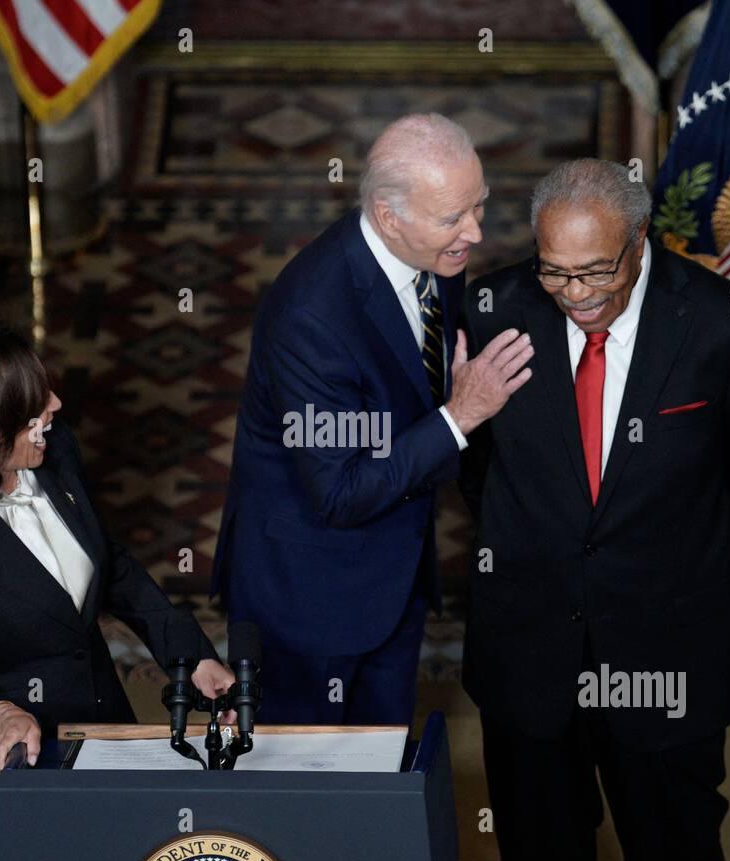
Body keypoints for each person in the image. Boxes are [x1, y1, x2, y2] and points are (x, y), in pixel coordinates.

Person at [460, 158, 730, 861]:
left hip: (669, 653)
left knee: (676, 847)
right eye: (555, 271)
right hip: (528, 650)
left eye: (596, 271)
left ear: (640, 240)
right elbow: (476, 471)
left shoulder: (721, 324)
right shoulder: (490, 310)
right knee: (540, 849)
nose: (574, 294)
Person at [211, 113, 532, 726]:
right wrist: (459, 416)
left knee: (382, 771)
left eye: (479, 206)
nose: (475, 232)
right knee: (308, 790)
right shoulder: (311, 318)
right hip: (309, 597)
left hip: (394, 577)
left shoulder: (437, 256)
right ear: (390, 218)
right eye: (453, 218)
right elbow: (338, 490)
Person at [0, 324, 234, 861]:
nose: (56, 405)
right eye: (31, 408)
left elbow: (108, 565)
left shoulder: (55, 449)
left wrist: (188, 651)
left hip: (98, 723)